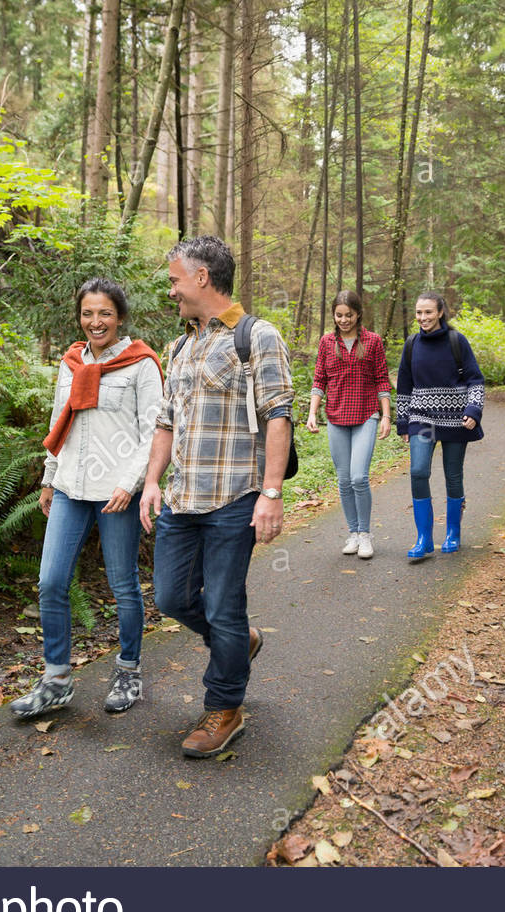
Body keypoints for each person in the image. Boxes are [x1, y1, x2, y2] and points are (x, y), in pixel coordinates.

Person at [139, 236, 294, 758]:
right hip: (181, 500)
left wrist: (271, 493)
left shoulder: (258, 336)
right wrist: (152, 481)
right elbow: (165, 422)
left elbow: (279, 415)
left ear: (202, 277)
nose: (171, 291)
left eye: (175, 280)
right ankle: (241, 644)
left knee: (224, 607)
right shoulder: (180, 345)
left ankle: (225, 706)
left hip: (234, 498)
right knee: (171, 598)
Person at [10, 278, 163, 719]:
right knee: (51, 582)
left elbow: (154, 429)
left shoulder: (141, 364)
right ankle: (56, 679)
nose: (96, 322)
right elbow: (62, 421)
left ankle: (128, 670)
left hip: (117, 493)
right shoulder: (72, 362)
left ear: (120, 317)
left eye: (105, 314)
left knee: (123, 585)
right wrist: (49, 477)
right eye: (88, 313)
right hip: (71, 489)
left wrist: (130, 483)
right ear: (79, 316)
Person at [395, 292, 485, 559]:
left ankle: (453, 533)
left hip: (456, 418)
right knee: (418, 470)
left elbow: (475, 380)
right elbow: (404, 386)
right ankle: (423, 538)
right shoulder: (412, 344)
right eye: (419, 313)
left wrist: (473, 410)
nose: (423, 318)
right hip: (421, 418)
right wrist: (403, 423)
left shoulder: (457, 341)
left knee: (453, 475)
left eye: (428, 313)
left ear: (441, 312)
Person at [306, 290, 391, 559]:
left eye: (349, 315)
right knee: (343, 480)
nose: (344, 320)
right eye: (339, 315)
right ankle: (353, 533)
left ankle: (365, 534)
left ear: (358, 314)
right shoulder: (327, 343)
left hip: (366, 414)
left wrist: (386, 416)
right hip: (336, 417)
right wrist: (312, 413)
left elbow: (382, 380)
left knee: (358, 477)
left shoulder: (373, 341)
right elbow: (319, 380)